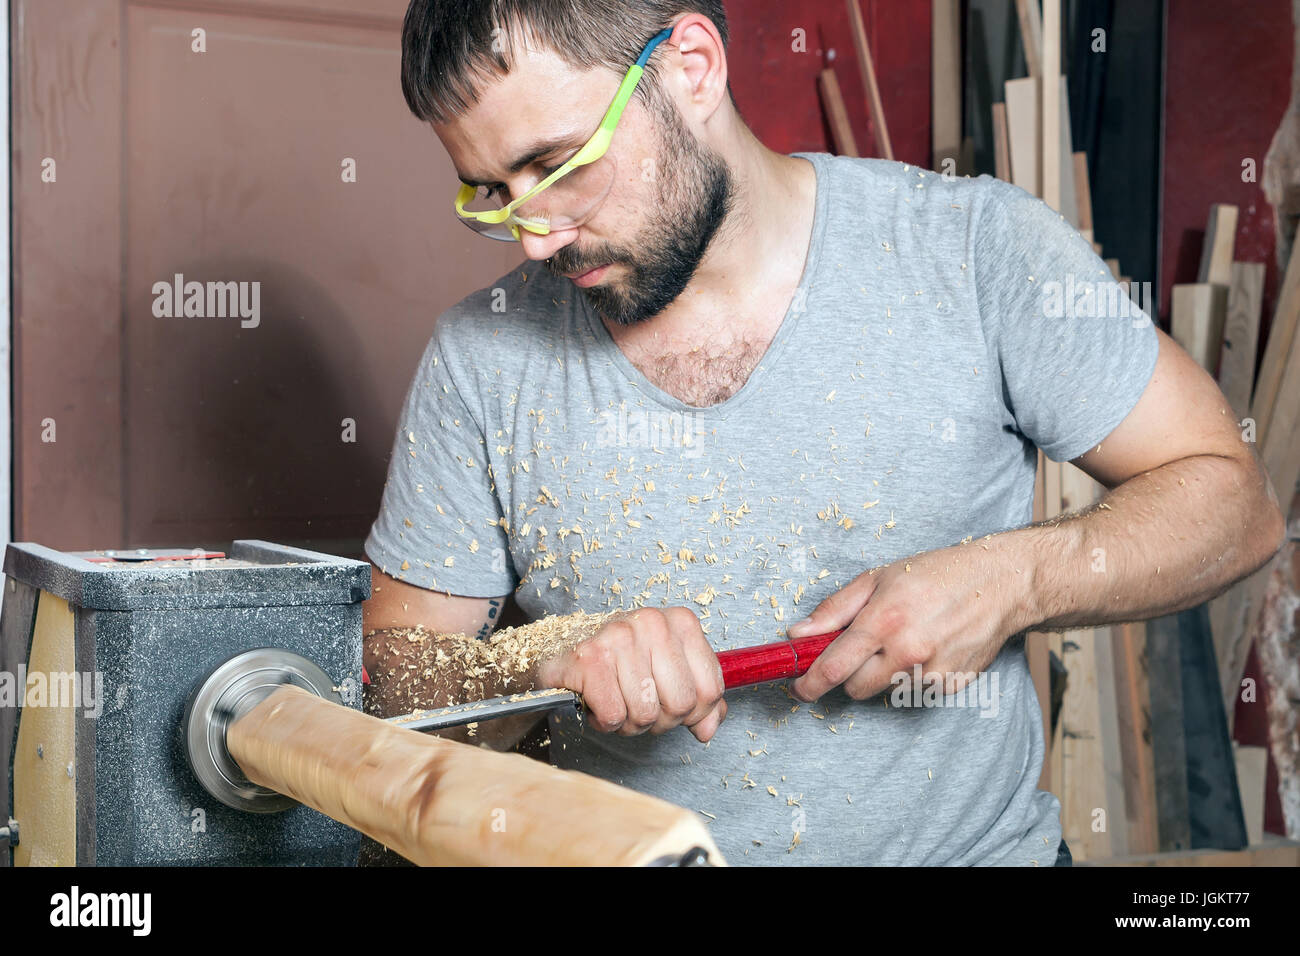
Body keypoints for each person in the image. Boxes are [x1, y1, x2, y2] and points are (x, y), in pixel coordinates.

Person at [362, 0, 1284, 865]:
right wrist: (544, 659)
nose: (535, 234)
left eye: (558, 164)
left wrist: (1010, 579)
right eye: (493, 191)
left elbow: (1231, 501)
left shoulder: (973, 252)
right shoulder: (481, 358)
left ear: (691, 67)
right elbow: (397, 684)